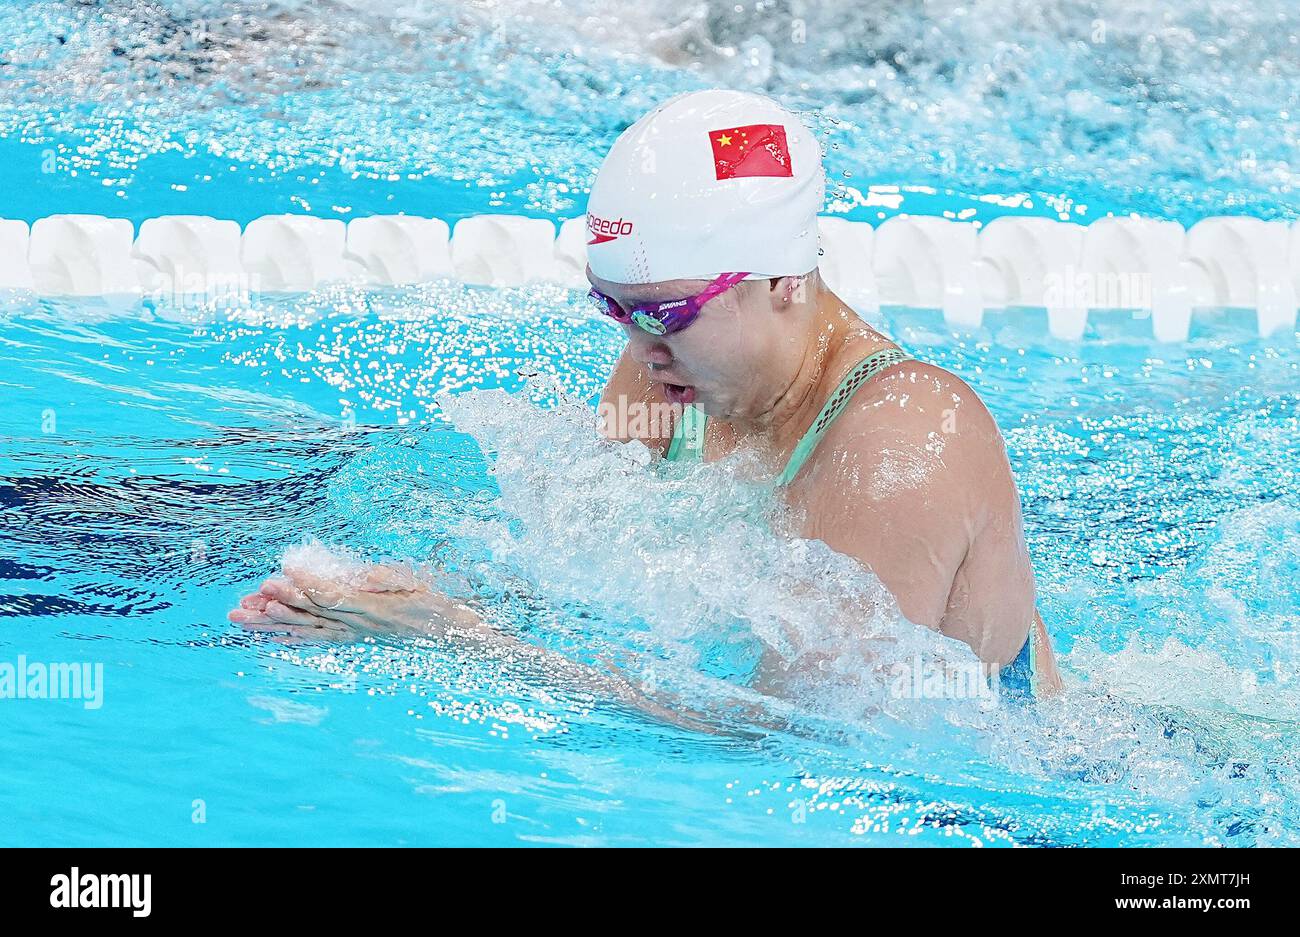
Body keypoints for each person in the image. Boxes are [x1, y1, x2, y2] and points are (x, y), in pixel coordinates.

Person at [232, 89, 1061, 698]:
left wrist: (457, 640)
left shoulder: (904, 442)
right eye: (615, 309)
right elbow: (588, 588)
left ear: (781, 280)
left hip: (999, 795)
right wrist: (404, 595)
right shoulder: (673, 375)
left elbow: (786, 736)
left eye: (666, 312)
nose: (637, 346)